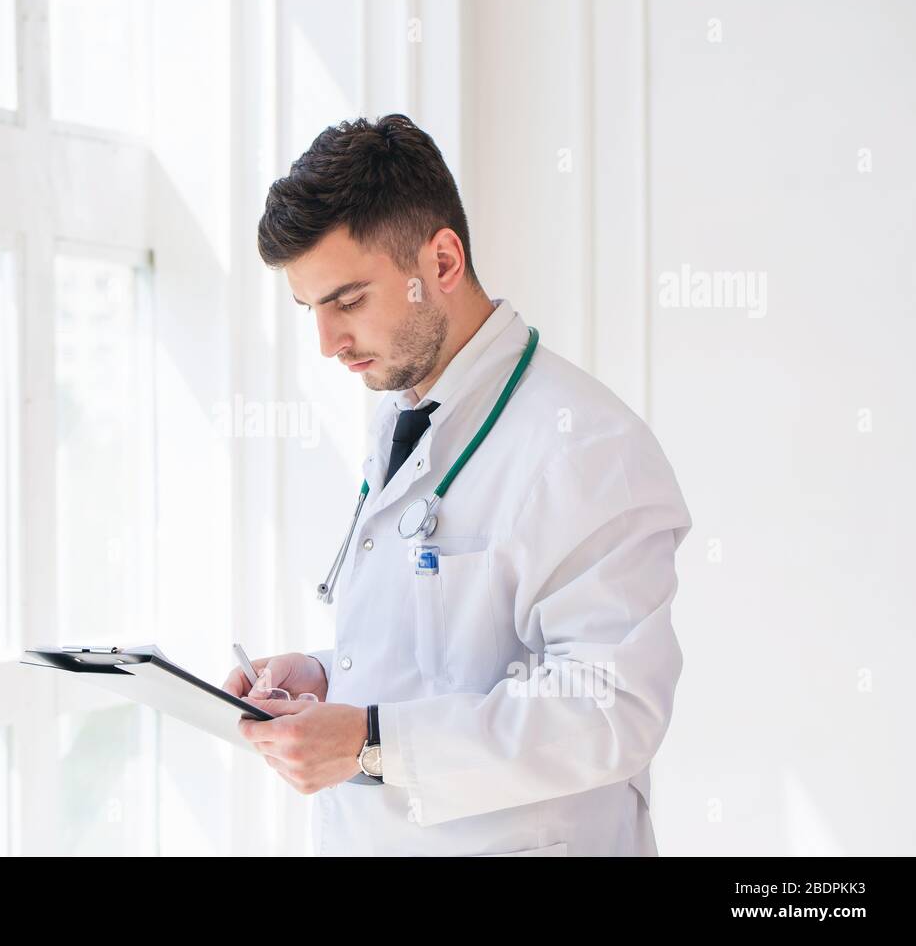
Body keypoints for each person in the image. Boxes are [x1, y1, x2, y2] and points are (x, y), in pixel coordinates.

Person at [221, 114, 690, 856]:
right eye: (311, 310)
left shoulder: (586, 447)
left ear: (441, 261)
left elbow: (612, 710)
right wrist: (325, 679)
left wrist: (374, 741)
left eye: (347, 301)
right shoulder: (408, 414)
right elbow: (445, 650)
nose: (327, 344)